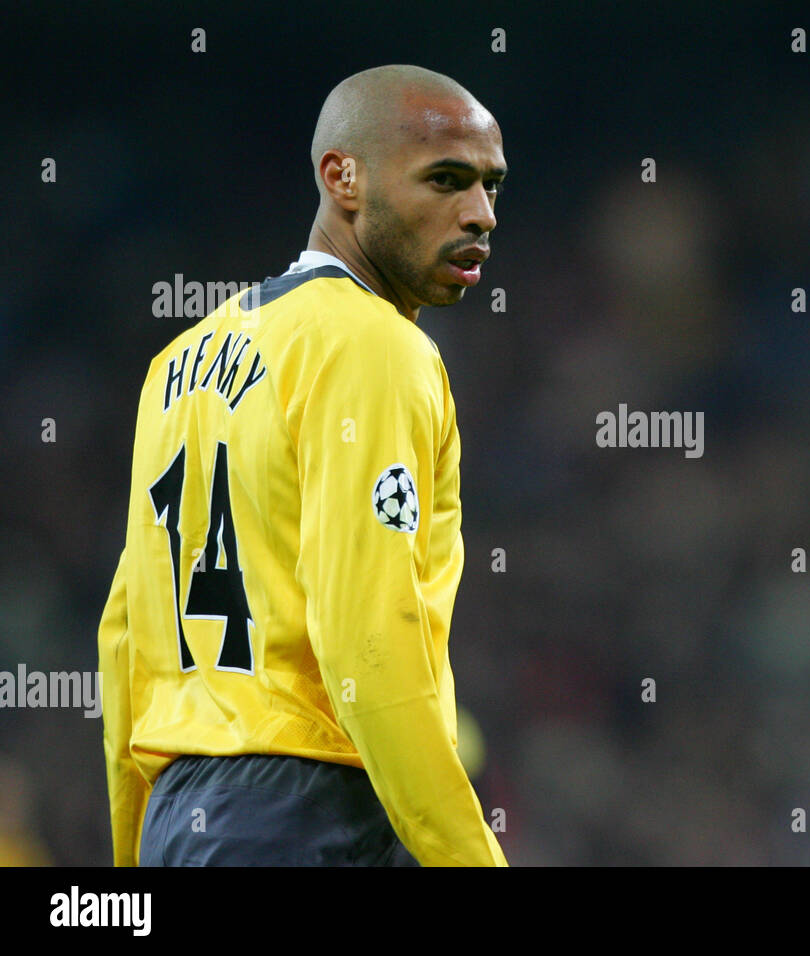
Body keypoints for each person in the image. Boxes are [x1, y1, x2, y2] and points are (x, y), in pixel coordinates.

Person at [95, 64, 508, 866]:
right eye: (446, 180)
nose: (480, 214)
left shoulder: (177, 363)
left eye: (491, 186)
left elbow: (124, 643)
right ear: (342, 176)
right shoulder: (375, 345)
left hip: (182, 820)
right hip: (317, 817)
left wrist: (132, 858)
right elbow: (370, 637)